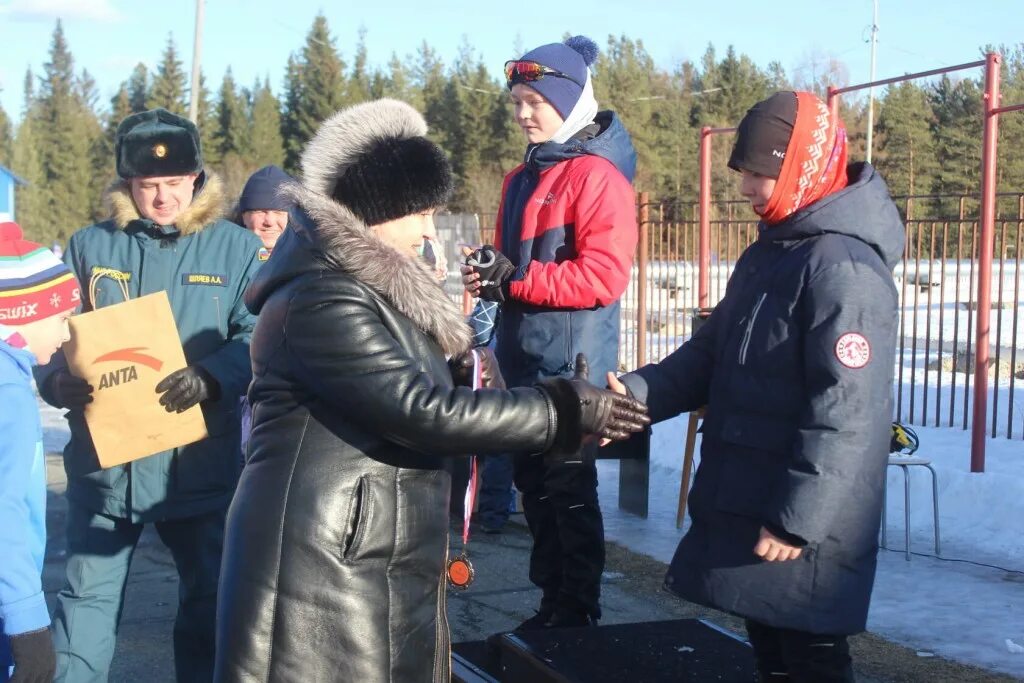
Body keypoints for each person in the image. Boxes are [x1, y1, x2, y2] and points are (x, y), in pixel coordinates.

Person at [213, 99, 649, 683]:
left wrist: (460, 364)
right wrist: (561, 408)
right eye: (418, 212)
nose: (426, 228)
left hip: (367, 550)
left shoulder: (358, 284)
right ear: (376, 206)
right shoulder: (321, 296)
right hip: (319, 569)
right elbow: (421, 412)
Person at [615, 91, 905, 682]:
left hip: (807, 518)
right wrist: (633, 399)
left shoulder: (843, 269)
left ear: (801, 166)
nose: (745, 189)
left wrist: (798, 518)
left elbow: (847, 412)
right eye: (743, 174)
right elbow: (709, 354)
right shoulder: (772, 252)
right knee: (772, 649)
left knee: (809, 655)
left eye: (758, 175)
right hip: (756, 489)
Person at [35, 108, 264, 683]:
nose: (162, 198)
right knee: (83, 608)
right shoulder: (89, 247)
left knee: (208, 606)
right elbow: (53, 333)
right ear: (127, 185)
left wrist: (211, 376)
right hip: (105, 470)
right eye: (148, 186)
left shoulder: (235, 250)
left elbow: (257, 336)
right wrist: (55, 382)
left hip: (198, 466)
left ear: (196, 179)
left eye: (173, 184)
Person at [462, 35, 639, 628]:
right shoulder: (521, 178)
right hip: (523, 362)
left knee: (569, 497)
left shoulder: (598, 178)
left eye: (534, 101)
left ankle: (577, 613)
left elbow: (603, 277)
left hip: (574, 371)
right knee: (534, 492)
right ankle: (550, 606)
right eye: (516, 102)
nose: (522, 114)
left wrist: (516, 280)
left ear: (568, 100)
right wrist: (490, 275)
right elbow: (516, 271)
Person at [0, 222, 80, 683]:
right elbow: (4, 514)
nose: (67, 334)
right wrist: (28, 627)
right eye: (61, 317)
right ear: (22, 314)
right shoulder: (8, 392)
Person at [234, 164, 292, 257]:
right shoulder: (225, 259)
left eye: (279, 212)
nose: (269, 221)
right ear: (244, 216)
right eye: (260, 211)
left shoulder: (313, 264)